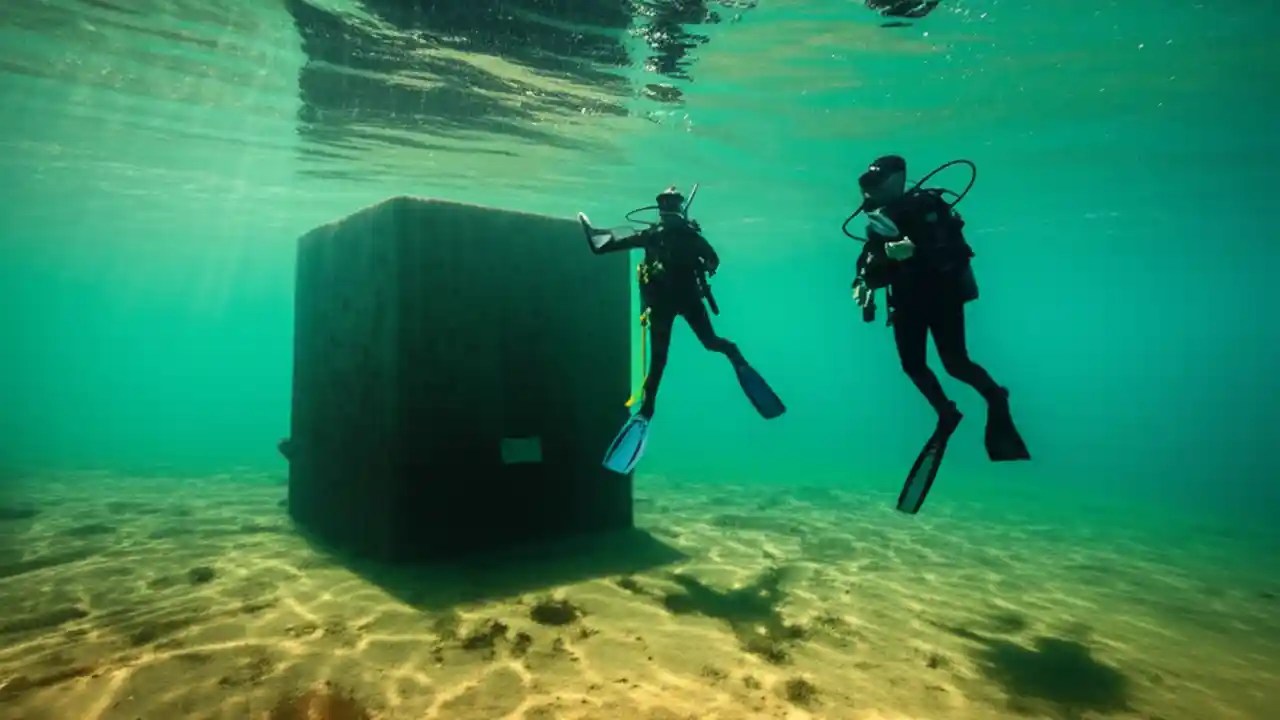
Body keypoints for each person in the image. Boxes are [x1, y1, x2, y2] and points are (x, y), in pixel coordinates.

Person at [578, 186, 785, 474]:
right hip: (687, 301)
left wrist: (590, 227)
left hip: (664, 304)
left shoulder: (654, 235)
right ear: (681, 208)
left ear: (661, 209)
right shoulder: (689, 236)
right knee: (710, 342)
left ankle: (646, 412)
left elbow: (601, 245)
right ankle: (733, 355)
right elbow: (713, 260)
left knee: (659, 361)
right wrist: (703, 261)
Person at [850, 154, 1029, 464]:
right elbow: (870, 260)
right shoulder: (879, 220)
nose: (868, 195)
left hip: (941, 299)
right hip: (906, 303)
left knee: (955, 363)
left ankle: (995, 397)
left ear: (894, 182)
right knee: (912, 365)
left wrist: (913, 252)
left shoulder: (927, 208)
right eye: (866, 188)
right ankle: (946, 412)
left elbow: (954, 255)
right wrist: (863, 283)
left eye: (874, 186)